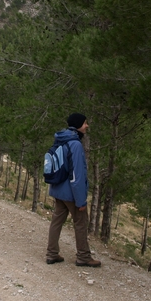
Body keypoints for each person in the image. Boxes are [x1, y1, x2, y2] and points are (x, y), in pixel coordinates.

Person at [45, 112, 101, 267]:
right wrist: (80, 200)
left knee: (56, 222)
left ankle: (51, 254)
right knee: (81, 223)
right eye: (85, 123)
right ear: (78, 125)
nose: (87, 126)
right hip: (70, 193)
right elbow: (77, 175)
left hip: (58, 189)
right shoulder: (75, 144)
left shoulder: (60, 139)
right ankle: (83, 256)